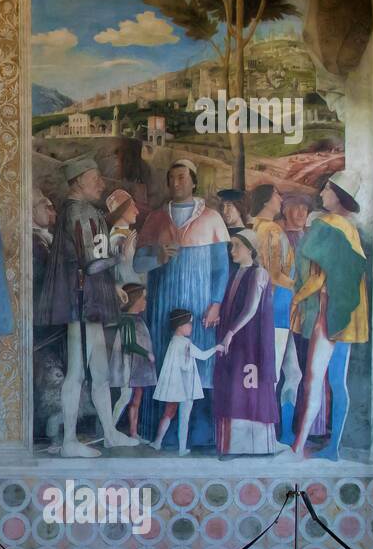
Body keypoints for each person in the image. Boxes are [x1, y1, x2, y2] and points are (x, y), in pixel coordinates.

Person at [35, 155, 139, 457]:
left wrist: (113, 285)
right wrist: (120, 257)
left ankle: (109, 433)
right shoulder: (81, 212)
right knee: (78, 372)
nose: (102, 184)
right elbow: (91, 266)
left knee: (100, 371)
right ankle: (69, 442)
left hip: (86, 304)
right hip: (81, 304)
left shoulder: (75, 210)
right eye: (96, 178)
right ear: (79, 179)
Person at [134, 159, 230, 448]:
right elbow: (139, 263)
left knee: (198, 364)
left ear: (193, 182)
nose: (177, 184)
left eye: (182, 178)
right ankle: (158, 434)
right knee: (164, 361)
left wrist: (216, 303)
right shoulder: (155, 219)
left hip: (199, 303)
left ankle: (199, 435)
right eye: (172, 179)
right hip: (164, 303)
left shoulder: (212, 217)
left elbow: (222, 268)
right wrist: (158, 256)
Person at [290, 171, 369, 460]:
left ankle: (299, 446)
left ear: (337, 195)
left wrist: (296, 300)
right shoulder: (350, 229)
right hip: (346, 314)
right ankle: (332, 448)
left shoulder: (327, 225)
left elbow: (319, 277)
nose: (322, 192)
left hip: (328, 310)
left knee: (313, 378)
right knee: (336, 381)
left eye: (326, 189)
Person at [212, 229, 288, 456]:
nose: (232, 250)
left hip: (251, 341)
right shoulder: (236, 272)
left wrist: (230, 332)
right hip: (236, 339)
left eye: (237, 246)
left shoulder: (260, 273)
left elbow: (250, 309)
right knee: (233, 387)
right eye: (231, 246)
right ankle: (232, 446)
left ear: (251, 249)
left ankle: (260, 446)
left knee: (249, 389)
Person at [248, 183, 302, 441]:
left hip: (279, 306)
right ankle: (267, 432)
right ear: (268, 199)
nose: (281, 198)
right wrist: (300, 286)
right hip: (278, 305)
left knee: (292, 372)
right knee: (273, 371)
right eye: (278, 195)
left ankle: (285, 432)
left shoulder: (258, 227)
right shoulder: (269, 229)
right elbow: (272, 274)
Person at [150, 309, 218, 454]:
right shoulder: (185, 343)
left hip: (175, 386)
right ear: (180, 325)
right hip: (186, 386)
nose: (191, 327)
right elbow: (203, 356)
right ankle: (181, 449)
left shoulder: (173, 342)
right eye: (189, 324)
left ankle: (157, 442)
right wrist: (216, 348)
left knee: (168, 413)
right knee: (184, 418)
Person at [109, 282, 154, 440]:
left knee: (137, 398)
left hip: (139, 367)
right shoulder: (127, 321)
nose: (145, 301)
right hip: (128, 365)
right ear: (134, 300)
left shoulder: (139, 320)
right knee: (125, 397)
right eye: (143, 298)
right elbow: (129, 344)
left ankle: (134, 433)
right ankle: (110, 429)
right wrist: (147, 353)